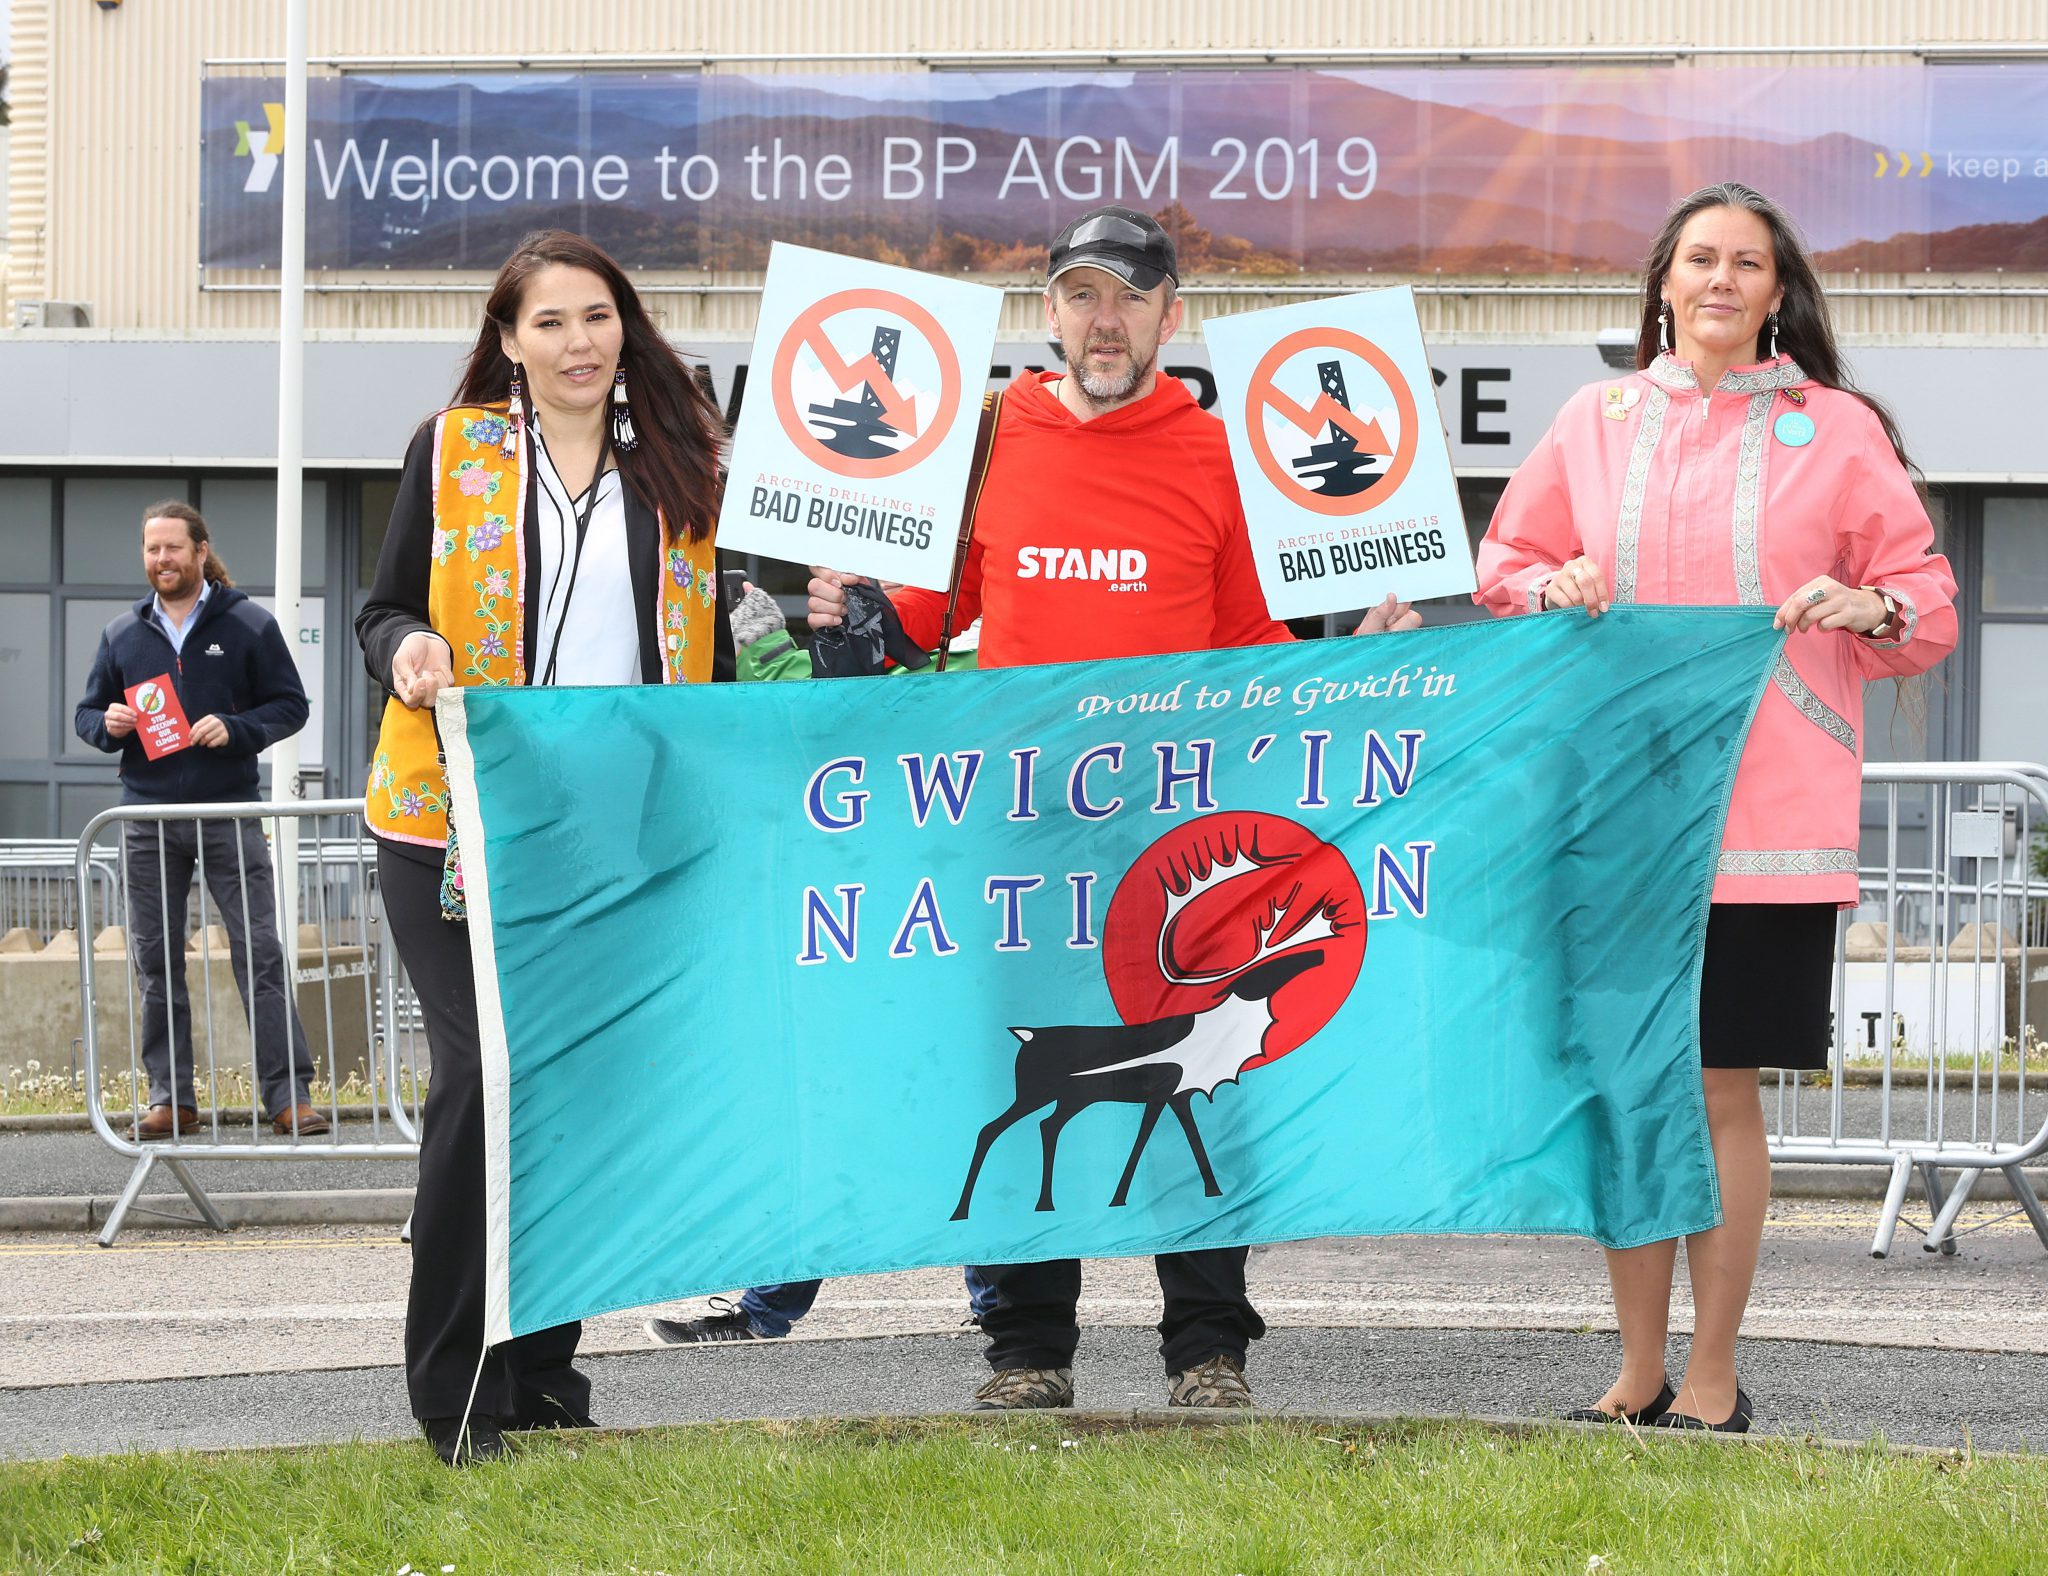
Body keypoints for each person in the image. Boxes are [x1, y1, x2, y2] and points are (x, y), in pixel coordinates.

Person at [801, 204, 1420, 1412]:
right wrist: (847, 611)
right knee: (1030, 1075)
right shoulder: (987, 436)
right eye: (1081, 295)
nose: (1103, 319)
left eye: (1128, 297)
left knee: (1197, 1074)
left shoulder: (1219, 452)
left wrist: (1352, 651)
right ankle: (1027, 1347)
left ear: (1168, 316)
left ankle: (1206, 1345)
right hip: (1023, 831)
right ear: (1047, 312)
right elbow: (915, 625)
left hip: (1176, 838)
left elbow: (1252, 647)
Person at [1475, 182, 1957, 1433]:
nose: (1720, 280)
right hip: (1613, 819)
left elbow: (1926, 601)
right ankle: (1634, 1370)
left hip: (1764, 821)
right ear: (1662, 282)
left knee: (1716, 1088)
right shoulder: (1592, 420)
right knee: (1627, 1088)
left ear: (1776, 293)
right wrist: (1553, 581)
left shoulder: (1838, 429)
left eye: (1747, 263)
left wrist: (1870, 607)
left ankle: (1711, 1375)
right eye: (1700, 258)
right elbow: (1502, 569)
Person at [355, 229, 734, 1466]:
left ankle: (543, 1377)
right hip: (449, 824)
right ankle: (452, 1393)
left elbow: (707, 659)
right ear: (508, 341)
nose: (579, 343)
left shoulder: (682, 465)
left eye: (598, 317)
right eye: (551, 322)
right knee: (484, 1080)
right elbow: (384, 605)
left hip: (604, 842)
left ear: (626, 328)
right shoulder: (453, 449)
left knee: (568, 1103)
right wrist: (407, 651)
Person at [74, 501, 324, 1142]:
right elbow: (84, 716)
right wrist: (107, 724)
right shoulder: (121, 634)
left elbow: (291, 706)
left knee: (260, 953)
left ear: (200, 550)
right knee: (155, 960)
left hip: (227, 814)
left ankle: (288, 1095)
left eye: (173, 548)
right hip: (147, 819)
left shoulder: (247, 624)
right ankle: (171, 1099)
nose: (162, 560)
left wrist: (238, 728)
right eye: (152, 549)